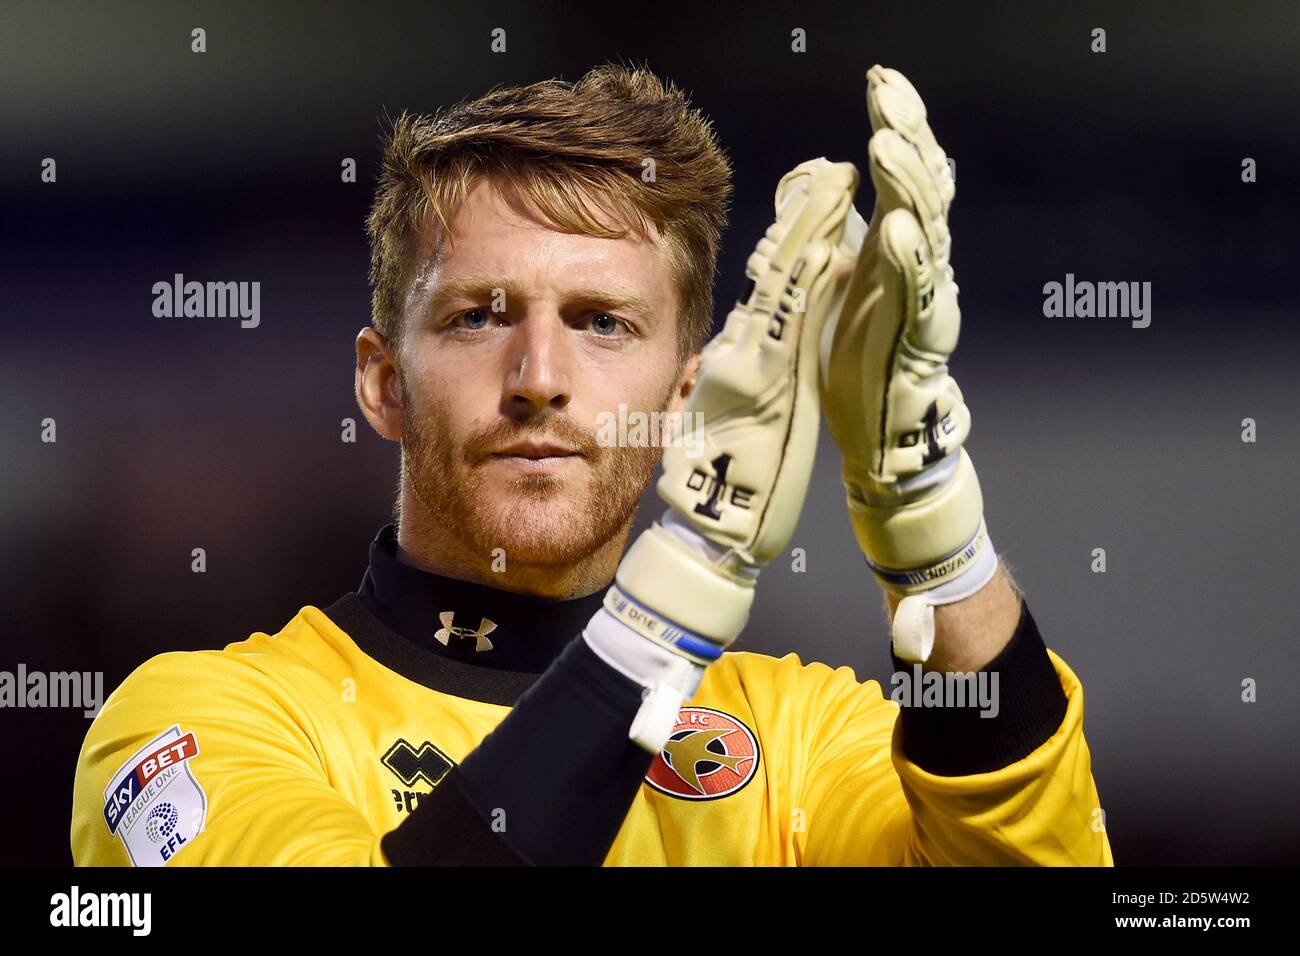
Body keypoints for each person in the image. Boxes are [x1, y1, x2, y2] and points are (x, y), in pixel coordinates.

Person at [72, 63, 1112, 866]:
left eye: (602, 323)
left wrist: (929, 522)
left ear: (683, 399)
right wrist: (680, 596)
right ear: (384, 384)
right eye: (480, 316)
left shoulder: (801, 730)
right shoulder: (193, 721)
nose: (538, 377)